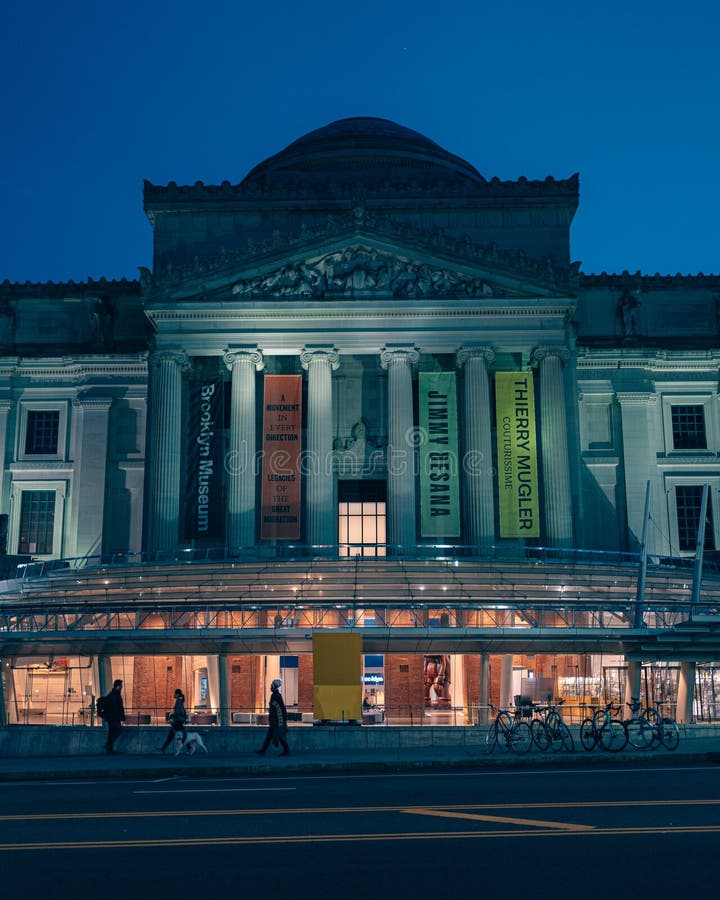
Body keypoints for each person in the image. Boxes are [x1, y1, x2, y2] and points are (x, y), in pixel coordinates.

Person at [255, 678, 290, 756]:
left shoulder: (276, 696)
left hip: (277, 722)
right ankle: (263, 750)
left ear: (275, 687)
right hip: (275, 721)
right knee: (271, 736)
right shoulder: (275, 695)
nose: (270, 687)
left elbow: (280, 709)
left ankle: (286, 751)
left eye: (271, 686)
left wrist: (280, 721)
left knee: (279, 736)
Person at [159, 688, 188, 753]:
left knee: (182, 735)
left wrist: (172, 717)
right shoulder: (179, 701)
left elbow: (179, 712)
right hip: (179, 721)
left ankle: (163, 749)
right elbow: (182, 711)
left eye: (174, 693)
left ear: (177, 694)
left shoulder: (178, 702)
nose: (173, 695)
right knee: (174, 735)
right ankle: (163, 749)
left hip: (178, 722)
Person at [102, 679, 126, 755]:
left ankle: (109, 749)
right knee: (117, 731)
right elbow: (117, 708)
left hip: (112, 718)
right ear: (118, 686)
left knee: (112, 732)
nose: (122, 687)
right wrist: (120, 717)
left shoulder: (114, 694)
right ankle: (108, 746)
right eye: (121, 685)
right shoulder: (114, 695)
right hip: (114, 718)